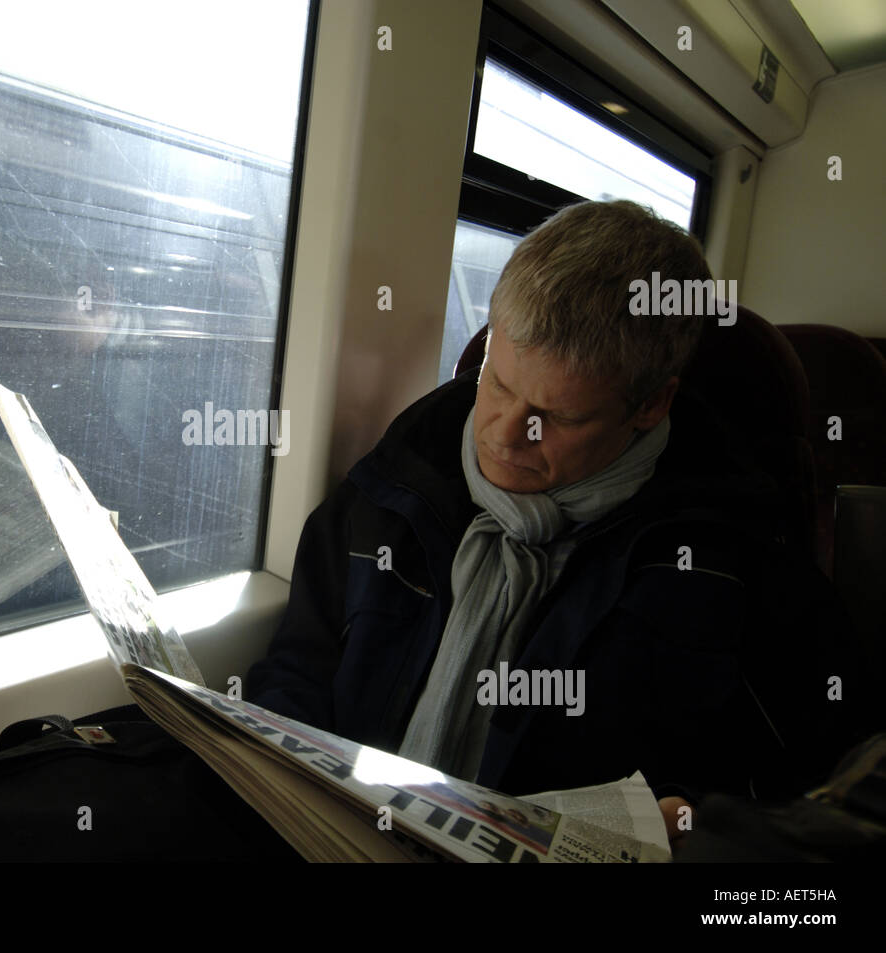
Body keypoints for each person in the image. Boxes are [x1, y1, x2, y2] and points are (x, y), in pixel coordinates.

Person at [245, 200, 870, 847]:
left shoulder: (740, 565)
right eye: (496, 381)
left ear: (652, 404)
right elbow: (296, 673)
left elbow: (817, 795)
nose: (505, 433)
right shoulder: (388, 492)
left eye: (559, 416)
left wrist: (694, 822)